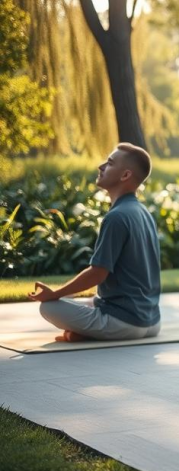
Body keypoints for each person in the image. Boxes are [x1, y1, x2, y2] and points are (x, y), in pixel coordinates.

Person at [31, 144, 162, 342]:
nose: (100, 166)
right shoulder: (143, 213)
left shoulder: (116, 217)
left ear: (125, 175)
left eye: (109, 163)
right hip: (152, 322)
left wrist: (54, 293)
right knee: (86, 301)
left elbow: (98, 273)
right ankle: (81, 333)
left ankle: (85, 333)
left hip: (124, 324)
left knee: (49, 306)